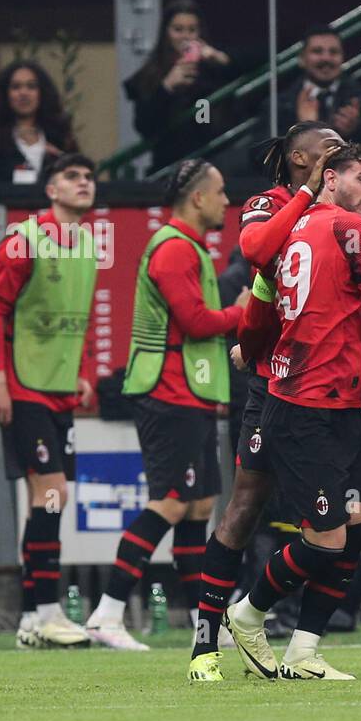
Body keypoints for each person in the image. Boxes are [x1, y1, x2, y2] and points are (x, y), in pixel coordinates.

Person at [190, 129, 361, 681]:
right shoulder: (276, 209)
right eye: (340, 155)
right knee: (250, 513)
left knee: (360, 520)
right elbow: (263, 265)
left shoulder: (360, 223)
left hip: (342, 392)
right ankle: (212, 639)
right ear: (309, 163)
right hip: (286, 391)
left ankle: (324, 647)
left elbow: (271, 298)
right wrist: (254, 348)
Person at [218, 143, 361, 680]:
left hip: (336, 401)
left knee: (352, 524)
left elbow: (258, 301)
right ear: (330, 179)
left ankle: (303, 652)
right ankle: (248, 613)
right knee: (327, 539)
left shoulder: (293, 229)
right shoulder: (349, 229)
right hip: (306, 403)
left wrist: (251, 348)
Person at [83, 160, 248, 650]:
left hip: (189, 392)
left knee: (198, 506)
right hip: (167, 394)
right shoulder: (174, 248)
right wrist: (245, 310)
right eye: (220, 192)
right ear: (197, 199)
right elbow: (197, 322)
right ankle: (108, 613)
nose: (226, 201)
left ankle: (207, 625)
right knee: (173, 502)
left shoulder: (187, 247)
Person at [0, 153, 98, 649]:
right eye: (73, 177)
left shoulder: (89, 244)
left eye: (90, 178)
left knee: (45, 499)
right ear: (50, 189)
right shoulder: (23, 240)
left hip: (59, 389)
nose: (84, 184)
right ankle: (48, 611)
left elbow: (83, 318)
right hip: (23, 385)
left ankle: (31, 618)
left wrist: (86, 374)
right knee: (53, 494)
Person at [252, 25, 361, 168]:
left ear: (342, 58)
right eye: (317, 51)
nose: (326, 58)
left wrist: (357, 130)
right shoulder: (278, 104)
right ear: (302, 59)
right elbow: (260, 158)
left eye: (333, 52)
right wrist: (302, 129)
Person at [123, 0, 239, 173]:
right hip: (168, 167)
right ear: (166, 32)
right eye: (178, 30)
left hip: (210, 165)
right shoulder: (152, 73)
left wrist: (220, 59)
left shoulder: (211, 70)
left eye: (192, 30)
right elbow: (145, 126)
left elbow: (209, 122)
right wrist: (167, 87)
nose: (185, 36)